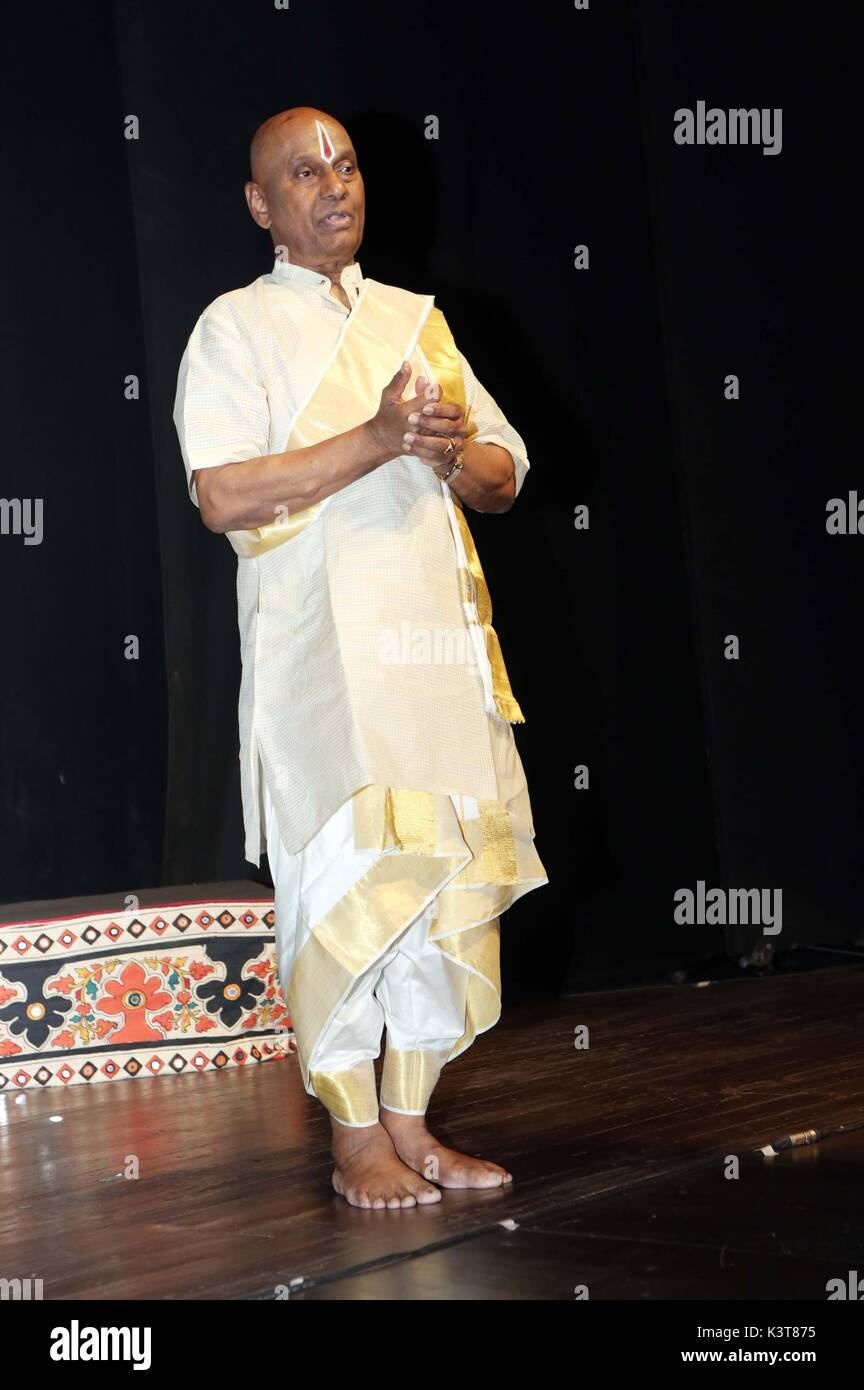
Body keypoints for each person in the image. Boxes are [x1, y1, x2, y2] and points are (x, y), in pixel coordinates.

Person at [173, 106, 547, 1209]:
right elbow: (221, 493)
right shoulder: (235, 326)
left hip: (438, 661)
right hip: (325, 666)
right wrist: (378, 438)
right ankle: (351, 1139)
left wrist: (448, 453)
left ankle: (411, 1127)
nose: (334, 184)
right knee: (347, 887)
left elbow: (505, 473)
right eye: (304, 171)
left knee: (441, 885)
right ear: (260, 205)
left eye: (345, 165)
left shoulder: (413, 321)